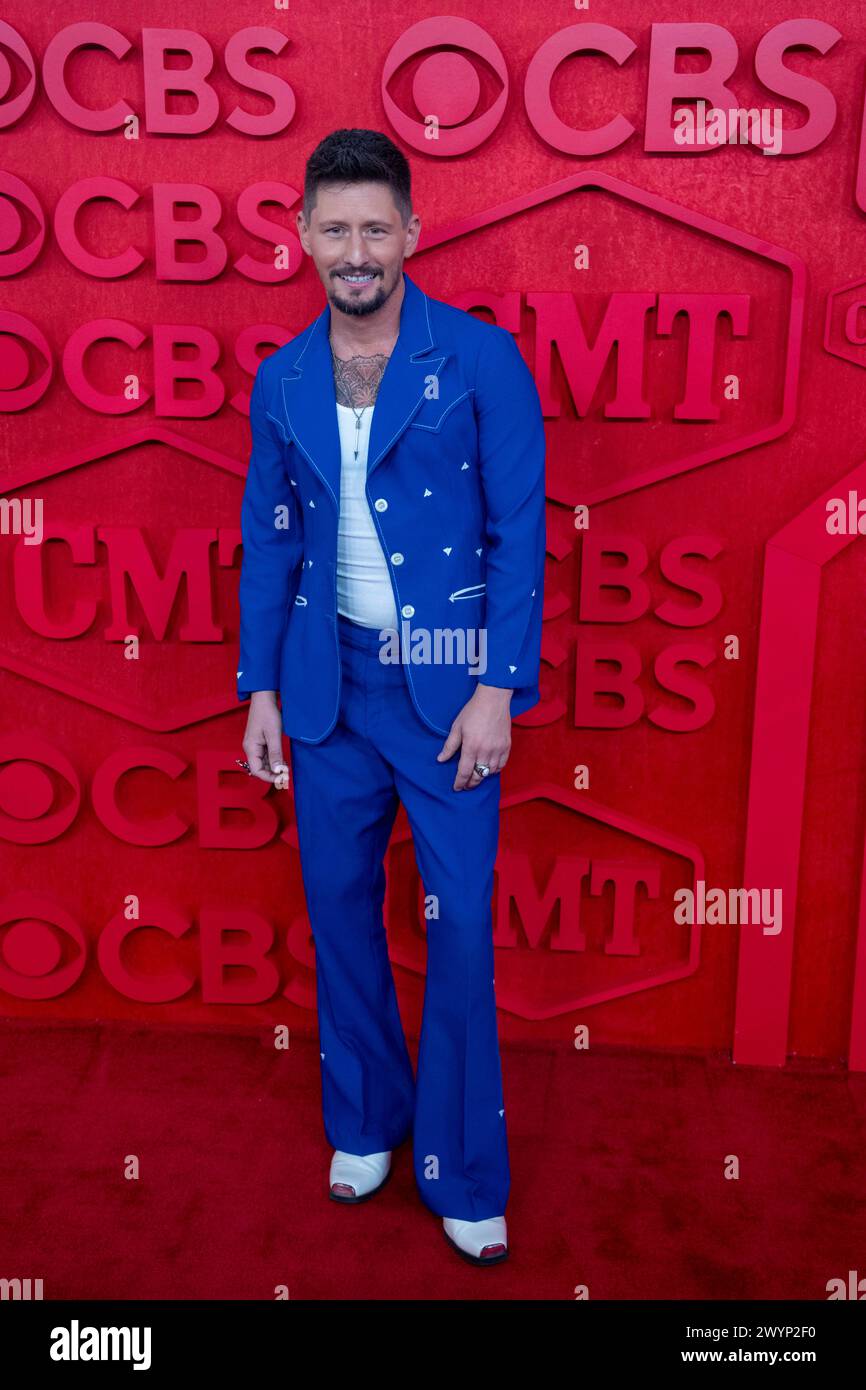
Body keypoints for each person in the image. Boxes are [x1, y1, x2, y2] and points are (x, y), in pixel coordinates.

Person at [237, 128, 546, 1266]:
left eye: (375, 226)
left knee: (459, 925)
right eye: (334, 229)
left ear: (411, 233)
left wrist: (496, 687)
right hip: (326, 694)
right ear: (303, 239)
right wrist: (259, 684)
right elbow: (267, 544)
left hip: (448, 687)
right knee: (340, 915)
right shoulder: (279, 379)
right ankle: (364, 1122)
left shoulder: (478, 361)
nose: (354, 248)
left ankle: (461, 1169)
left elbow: (519, 536)